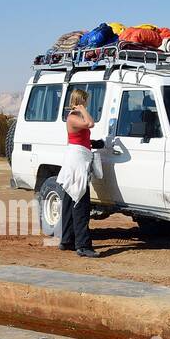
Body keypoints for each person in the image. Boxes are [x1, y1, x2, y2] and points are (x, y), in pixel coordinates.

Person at [56, 88, 101, 257]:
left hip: (77, 158)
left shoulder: (75, 117)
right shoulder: (74, 117)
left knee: (69, 201)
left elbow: (81, 136)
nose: (87, 103)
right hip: (76, 163)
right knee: (80, 203)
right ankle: (83, 245)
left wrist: (94, 143)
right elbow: (91, 123)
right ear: (81, 100)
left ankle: (66, 240)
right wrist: (82, 109)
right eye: (85, 101)